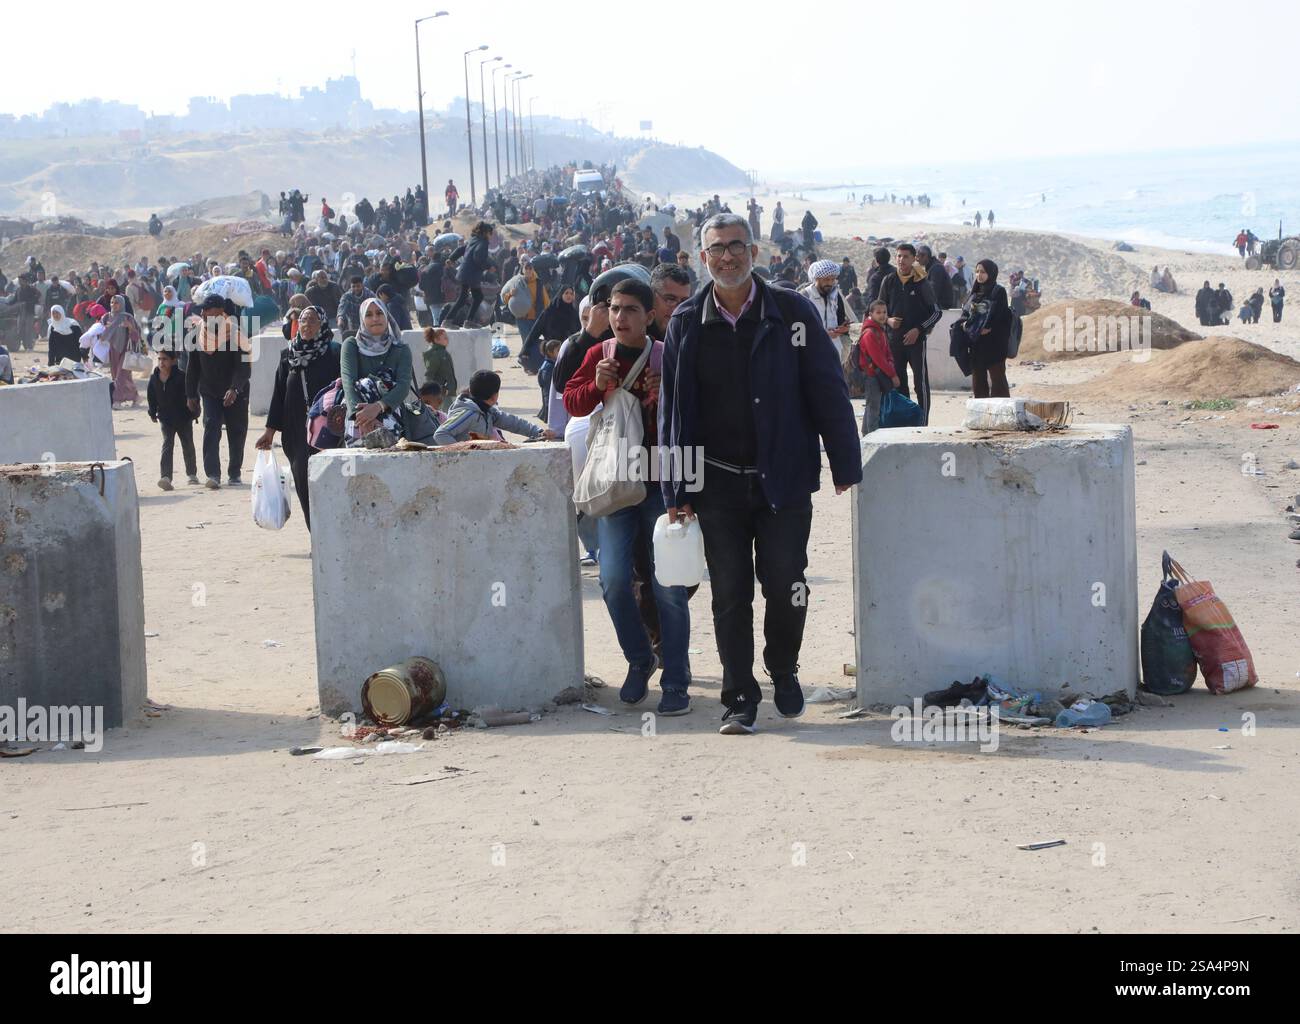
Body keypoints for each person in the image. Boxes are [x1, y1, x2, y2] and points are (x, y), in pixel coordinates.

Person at [660, 213, 862, 735]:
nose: (727, 257)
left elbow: (827, 389)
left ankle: (784, 668)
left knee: (788, 583)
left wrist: (844, 460)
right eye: (716, 249)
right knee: (730, 592)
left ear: (754, 252)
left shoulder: (792, 313)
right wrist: (676, 487)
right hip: (718, 482)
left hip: (785, 477)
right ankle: (740, 697)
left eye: (736, 246)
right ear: (703, 259)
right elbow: (674, 413)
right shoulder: (686, 322)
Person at [563, 278, 692, 715]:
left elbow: (693, 413)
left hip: (661, 484)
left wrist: (663, 398)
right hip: (616, 483)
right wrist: (597, 386)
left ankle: (676, 680)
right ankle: (640, 659)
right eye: (614, 309)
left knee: (668, 586)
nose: (620, 317)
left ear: (649, 316)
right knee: (613, 580)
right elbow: (573, 404)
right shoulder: (598, 354)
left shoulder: (666, 355)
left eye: (630, 309)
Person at [256, 306, 341, 529]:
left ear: (322, 324)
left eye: (312, 321)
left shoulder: (334, 353)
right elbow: (279, 395)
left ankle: (333, 534)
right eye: (303, 320)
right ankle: (317, 536)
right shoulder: (288, 356)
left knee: (330, 482)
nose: (306, 325)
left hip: (329, 432)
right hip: (297, 432)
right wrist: (269, 431)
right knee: (303, 482)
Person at [186, 295, 252, 488]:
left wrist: (234, 389)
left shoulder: (235, 333)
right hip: (210, 390)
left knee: (237, 431)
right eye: (209, 315)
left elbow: (244, 368)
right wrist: (191, 394)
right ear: (203, 314)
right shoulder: (197, 334)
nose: (213, 319)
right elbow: (193, 368)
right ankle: (213, 474)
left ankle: (234, 472)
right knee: (211, 426)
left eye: (217, 315)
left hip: (236, 390)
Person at [878, 243, 941, 424]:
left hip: (916, 343)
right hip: (893, 342)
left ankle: (924, 422)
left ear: (914, 259)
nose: (901, 260)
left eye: (905, 256)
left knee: (920, 384)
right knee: (899, 383)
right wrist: (888, 320)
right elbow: (876, 310)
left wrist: (918, 329)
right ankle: (906, 421)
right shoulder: (888, 280)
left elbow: (936, 313)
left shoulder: (921, 283)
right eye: (898, 256)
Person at [340, 297, 413, 445]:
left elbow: (403, 386)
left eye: (379, 313)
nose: (375, 318)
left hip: (393, 416)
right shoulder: (351, 345)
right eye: (369, 314)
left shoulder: (401, 349)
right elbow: (348, 383)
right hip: (358, 420)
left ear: (386, 316)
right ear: (362, 318)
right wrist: (362, 417)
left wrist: (378, 407)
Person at [435, 370, 552, 445]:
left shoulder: (488, 411)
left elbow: (512, 422)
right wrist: (461, 452)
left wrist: (538, 432)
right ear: (495, 396)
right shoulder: (467, 414)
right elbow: (441, 434)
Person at [959, 259, 1012, 399]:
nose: (979, 275)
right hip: (977, 344)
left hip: (995, 344)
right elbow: (965, 314)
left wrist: (989, 328)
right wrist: (965, 325)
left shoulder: (998, 291)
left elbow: (1002, 316)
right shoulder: (974, 292)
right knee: (978, 382)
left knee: (998, 381)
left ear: (991, 273)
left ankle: (1002, 415)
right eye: (977, 271)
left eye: (983, 272)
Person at [147, 348, 199, 491]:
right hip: (165, 418)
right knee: (167, 445)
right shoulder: (154, 378)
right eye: (159, 359)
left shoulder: (182, 377)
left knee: (187, 444)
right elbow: (151, 397)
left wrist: (195, 412)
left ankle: (192, 474)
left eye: (164, 359)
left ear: (173, 361)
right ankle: (166, 477)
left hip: (183, 417)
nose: (161, 362)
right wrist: (152, 412)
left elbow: (193, 394)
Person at [857, 300, 900, 434]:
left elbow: (888, 353)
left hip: (877, 374)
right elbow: (878, 358)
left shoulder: (879, 330)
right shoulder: (870, 333)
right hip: (871, 375)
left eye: (884, 312)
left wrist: (891, 364)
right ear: (871, 314)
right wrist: (893, 374)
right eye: (878, 312)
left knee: (872, 406)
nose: (882, 315)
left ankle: (866, 435)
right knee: (874, 408)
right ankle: (872, 438)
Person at [440, 221, 493, 328]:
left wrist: (451, 258)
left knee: (467, 297)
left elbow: (461, 249)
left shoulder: (473, 240)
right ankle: (457, 321)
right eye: (490, 233)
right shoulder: (483, 242)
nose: (491, 236)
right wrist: (488, 267)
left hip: (465, 273)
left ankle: (462, 321)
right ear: (486, 233)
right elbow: (478, 256)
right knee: (476, 297)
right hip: (471, 274)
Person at [507, 260, 550, 372]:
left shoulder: (538, 283)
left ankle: (533, 364)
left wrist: (548, 313)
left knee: (533, 342)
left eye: (530, 268)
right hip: (522, 319)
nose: (528, 270)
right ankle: (528, 365)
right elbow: (506, 298)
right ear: (523, 269)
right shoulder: (517, 282)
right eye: (526, 268)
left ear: (533, 270)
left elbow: (546, 300)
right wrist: (511, 293)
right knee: (526, 341)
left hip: (536, 318)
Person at [800, 260, 852, 352]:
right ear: (817, 278)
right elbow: (798, 329)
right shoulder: (805, 296)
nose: (830, 283)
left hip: (834, 350)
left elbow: (840, 320)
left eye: (832, 279)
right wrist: (824, 334)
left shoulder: (835, 295)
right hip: (812, 351)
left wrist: (843, 328)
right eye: (826, 279)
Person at [102, 295, 142, 408]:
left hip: (126, 350)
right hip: (112, 350)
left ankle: (117, 400)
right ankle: (134, 395)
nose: (113, 305)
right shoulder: (106, 317)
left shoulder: (127, 317)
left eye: (116, 303)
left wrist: (130, 327)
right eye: (112, 302)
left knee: (121, 375)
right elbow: (100, 333)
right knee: (120, 376)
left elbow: (136, 336)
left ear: (122, 304)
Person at [421, 326, 458, 408]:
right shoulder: (436, 355)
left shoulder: (443, 353)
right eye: (444, 338)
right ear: (436, 340)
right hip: (440, 393)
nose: (447, 339)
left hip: (446, 391)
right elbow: (429, 374)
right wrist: (435, 390)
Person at [916, 245, 954, 309]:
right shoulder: (931, 267)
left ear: (925, 256)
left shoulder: (936, 268)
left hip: (941, 306)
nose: (917, 259)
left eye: (918, 256)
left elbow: (933, 292)